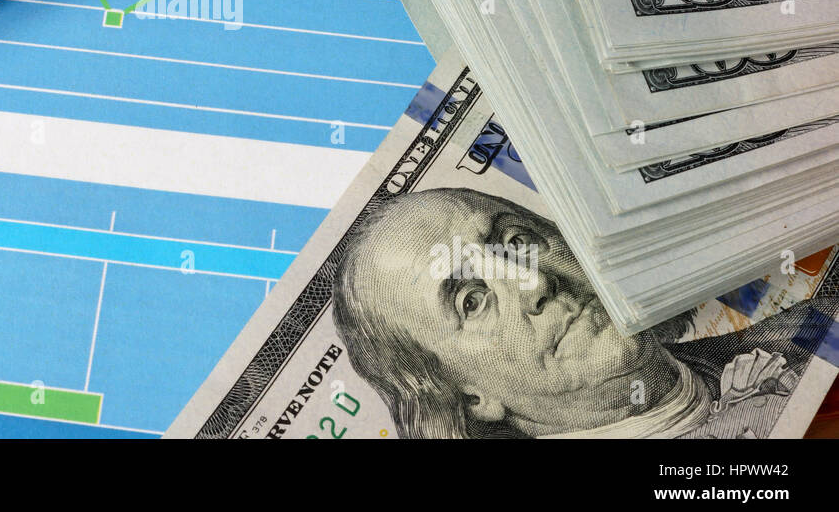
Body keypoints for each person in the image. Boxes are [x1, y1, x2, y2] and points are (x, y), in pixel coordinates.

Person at [330, 187, 831, 438]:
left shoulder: (808, 332)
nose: (534, 281)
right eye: (472, 301)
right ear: (467, 394)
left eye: (516, 241)